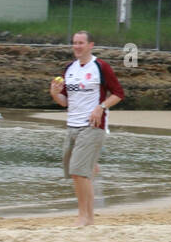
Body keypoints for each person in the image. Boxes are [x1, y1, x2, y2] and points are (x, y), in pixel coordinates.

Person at [49, 30, 124, 227]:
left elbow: (118, 94)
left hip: (92, 126)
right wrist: (54, 94)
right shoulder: (70, 69)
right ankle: (86, 212)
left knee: (78, 172)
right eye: (75, 43)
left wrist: (101, 107)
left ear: (91, 45)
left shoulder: (101, 66)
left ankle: (85, 217)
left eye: (81, 43)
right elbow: (64, 102)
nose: (77, 46)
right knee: (77, 172)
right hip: (72, 125)